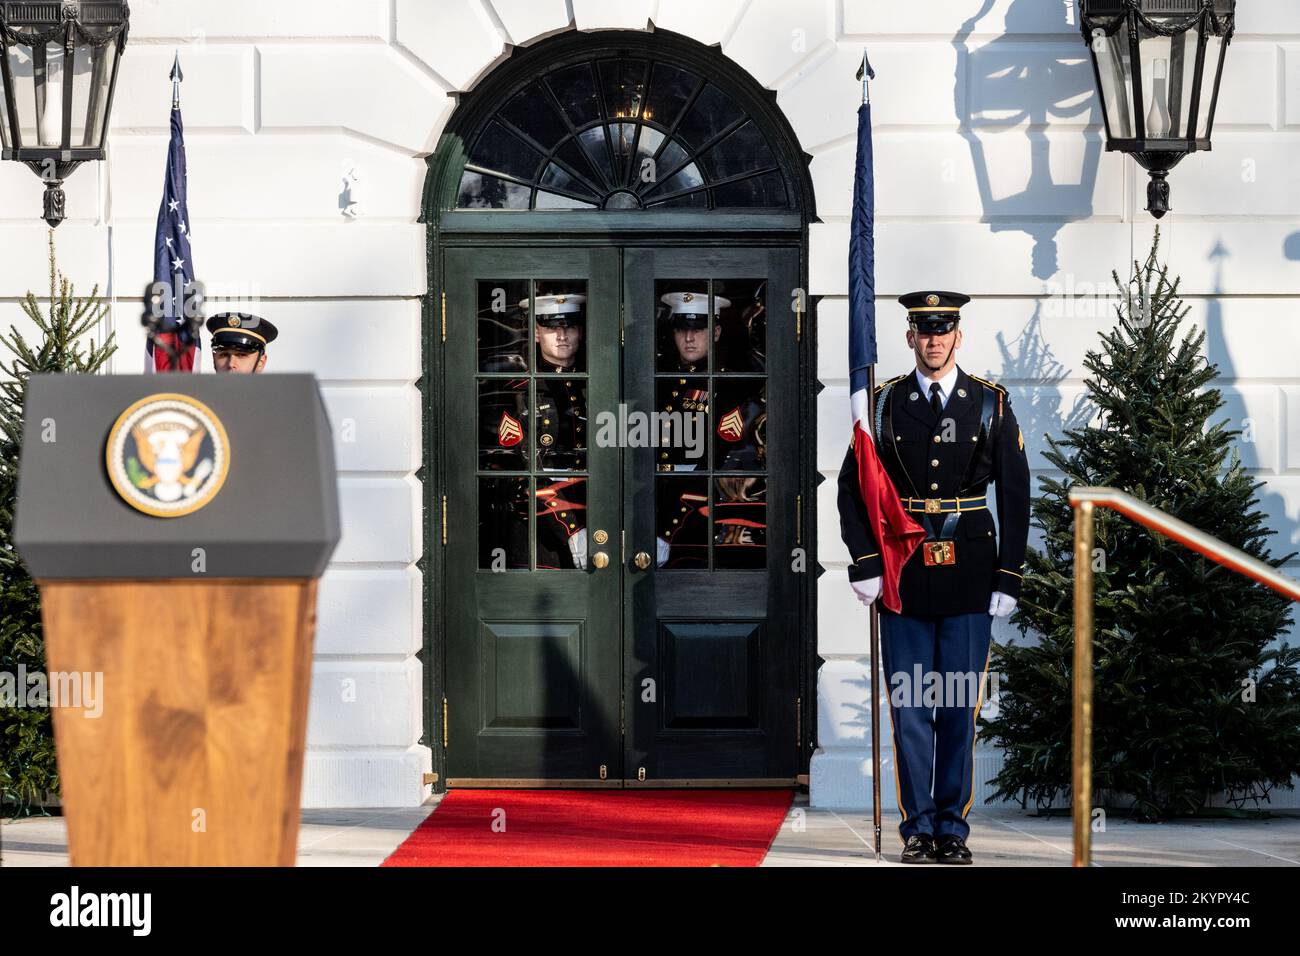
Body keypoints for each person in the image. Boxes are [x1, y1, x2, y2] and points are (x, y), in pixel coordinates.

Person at [836, 290, 1030, 865]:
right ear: (910, 337)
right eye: (924, 330)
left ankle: (953, 828)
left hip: (971, 572)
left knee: (956, 706)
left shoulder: (990, 403)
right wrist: (866, 561)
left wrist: (1009, 574)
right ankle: (917, 828)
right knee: (911, 707)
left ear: (958, 336)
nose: (934, 340)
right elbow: (854, 489)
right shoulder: (883, 405)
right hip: (904, 570)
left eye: (943, 330)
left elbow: (1015, 494)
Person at [206, 312, 278, 373]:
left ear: (261, 362)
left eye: (241, 355)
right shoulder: (197, 389)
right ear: (213, 358)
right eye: (224, 354)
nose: (231, 364)